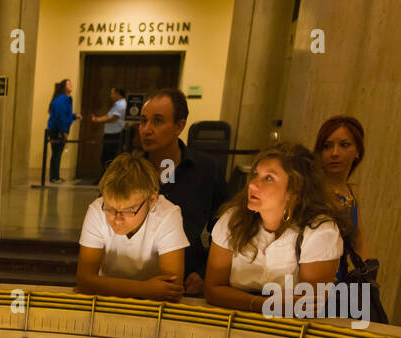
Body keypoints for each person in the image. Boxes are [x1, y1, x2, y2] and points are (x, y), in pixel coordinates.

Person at [204, 143, 345, 314]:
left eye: (268, 178)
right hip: (233, 321)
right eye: (255, 175)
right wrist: (262, 304)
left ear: (295, 189)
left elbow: (308, 306)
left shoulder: (320, 231)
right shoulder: (232, 220)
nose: (253, 185)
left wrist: (238, 298)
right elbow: (213, 289)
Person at [136, 88, 228, 295]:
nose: (146, 129)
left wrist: (205, 273)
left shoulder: (206, 170)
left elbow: (226, 228)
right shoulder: (128, 169)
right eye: (143, 121)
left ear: (180, 125)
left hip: (185, 280)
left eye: (157, 121)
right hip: (134, 278)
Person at [74, 153, 187, 301]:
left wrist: (101, 285)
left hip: (151, 305)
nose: (117, 219)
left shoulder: (167, 215)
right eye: (110, 208)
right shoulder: (97, 209)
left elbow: (171, 289)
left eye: (129, 210)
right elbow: (84, 280)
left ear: (152, 200)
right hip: (109, 300)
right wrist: (145, 289)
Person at [314, 115, 371, 277]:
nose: (335, 153)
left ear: (358, 152)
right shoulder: (313, 191)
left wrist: (367, 277)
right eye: (327, 146)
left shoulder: (350, 193)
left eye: (344, 145)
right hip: (310, 282)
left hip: (339, 281)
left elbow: (358, 239)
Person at [46, 79, 80, 184]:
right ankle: (54, 177)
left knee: (57, 153)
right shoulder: (63, 99)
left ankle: (56, 176)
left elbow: (65, 115)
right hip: (57, 129)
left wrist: (74, 116)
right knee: (56, 153)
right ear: (64, 86)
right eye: (68, 83)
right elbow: (60, 116)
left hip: (57, 128)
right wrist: (63, 130)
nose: (71, 85)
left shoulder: (63, 99)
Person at [90, 86, 127, 176]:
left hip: (115, 135)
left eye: (112, 93)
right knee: (105, 158)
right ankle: (104, 177)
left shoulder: (121, 105)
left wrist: (98, 120)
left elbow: (113, 118)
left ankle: (108, 178)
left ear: (117, 94)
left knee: (110, 158)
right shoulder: (117, 105)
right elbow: (108, 115)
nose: (110, 95)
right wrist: (97, 119)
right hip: (110, 134)